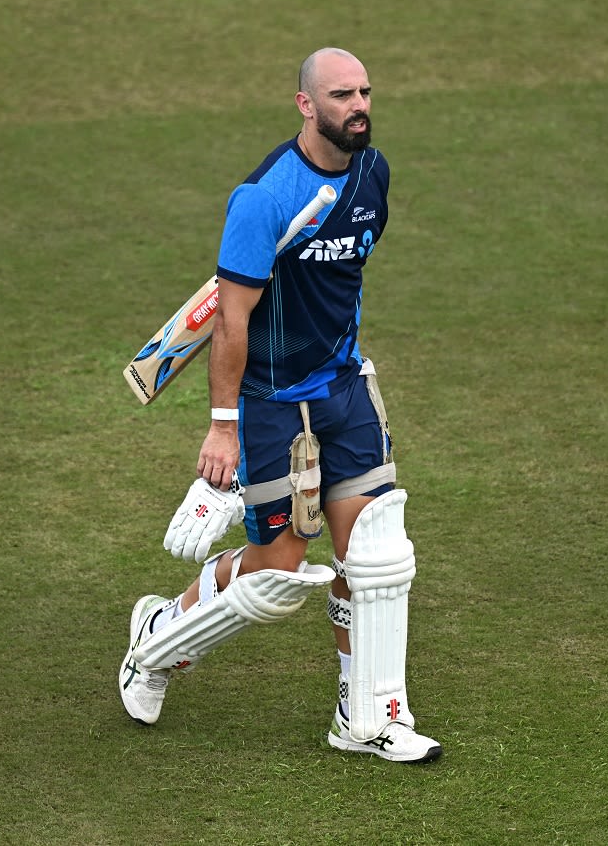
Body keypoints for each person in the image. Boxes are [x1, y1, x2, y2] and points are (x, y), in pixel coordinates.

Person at [118, 48, 441, 764]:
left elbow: (344, 281)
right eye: (340, 94)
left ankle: (366, 716)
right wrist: (224, 430)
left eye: (364, 91)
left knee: (377, 559)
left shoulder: (371, 173)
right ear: (305, 105)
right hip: (270, 404)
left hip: (344, 389)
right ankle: (160, 639)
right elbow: (232, 320)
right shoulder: (263, 198)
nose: (358, 105)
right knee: (275, 574)